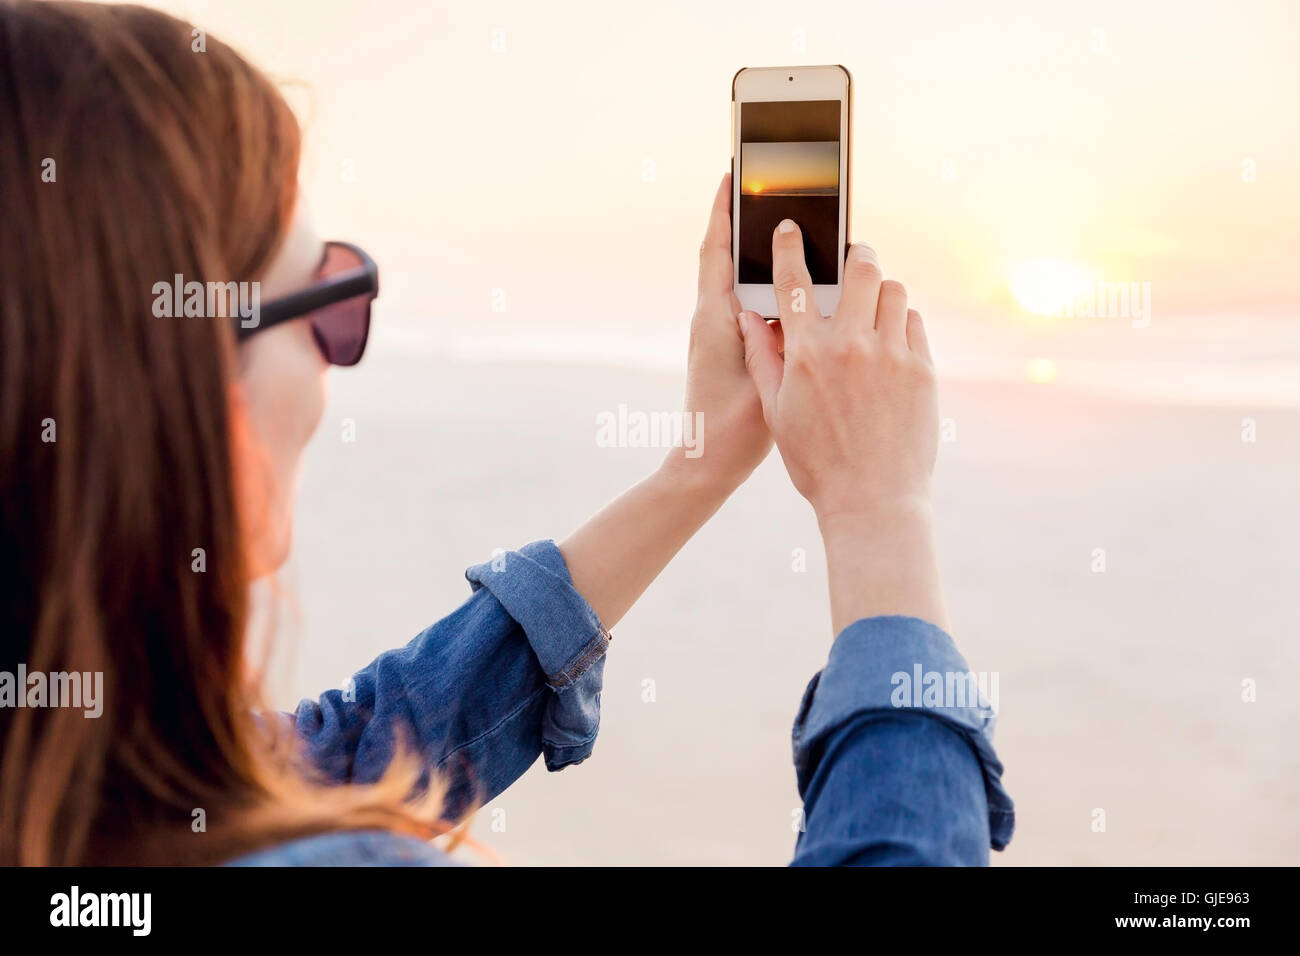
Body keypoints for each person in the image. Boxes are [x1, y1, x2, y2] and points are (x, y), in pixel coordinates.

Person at [0, 1, 1012, 866]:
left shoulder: (70, 776)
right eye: (328, 297)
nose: (332, 352)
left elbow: (336, 752)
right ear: (187, 399)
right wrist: (879, 515)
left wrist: (694, 467)